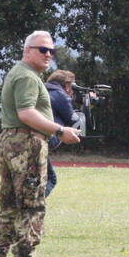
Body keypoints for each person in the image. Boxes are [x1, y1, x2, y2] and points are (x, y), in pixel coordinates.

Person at [0, 31, 81, 257]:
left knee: (10, 205)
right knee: (32, 203)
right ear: (27, 50)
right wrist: (60, 130)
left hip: (11, 140)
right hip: (26, 142)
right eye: (42, 50)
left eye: (51, 51)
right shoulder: (27, 76)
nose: (48, 55)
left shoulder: (21, 73)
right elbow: (26, 113)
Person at [43, 69, 78, 198]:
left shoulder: (42, 90)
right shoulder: (60, 95)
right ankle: (32, 206)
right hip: (47, 138)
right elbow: (74, 121)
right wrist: (88, 106)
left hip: (28, 137)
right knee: (51, 179)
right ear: (67, 85)